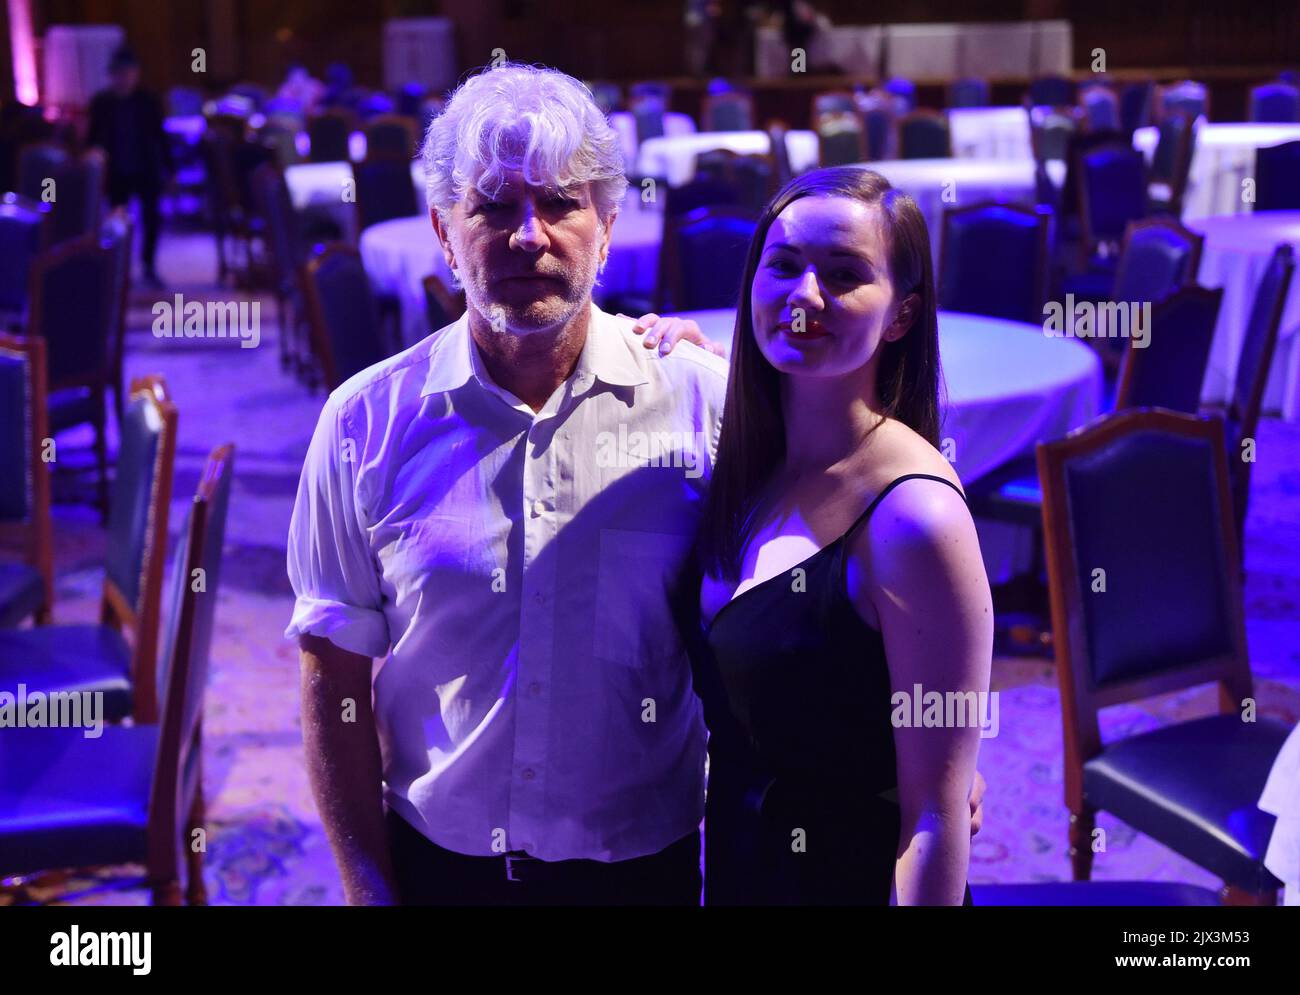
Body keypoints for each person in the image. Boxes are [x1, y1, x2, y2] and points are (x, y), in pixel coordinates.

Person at [285, 62, 984, 906]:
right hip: (438, 868)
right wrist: (367, 890)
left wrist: (933, 768)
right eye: (494, 205)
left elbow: (831, 592)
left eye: (560, 203)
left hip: (648, 876)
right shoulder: (363, 424)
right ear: (442, 228)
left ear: (608, 227)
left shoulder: (705, 406)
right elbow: (331, 681)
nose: (529, 235)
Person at [688, 166, 993, 904]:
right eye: (784, 265)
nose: (805, 295)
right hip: (741, 872)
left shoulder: (916, 516)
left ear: (902, 315)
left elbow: (936, 816)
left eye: (845, 274)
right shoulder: (748, 459)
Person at [87, 46, 170, 288]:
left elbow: (160, 137)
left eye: (129, 73)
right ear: (112, 75)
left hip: (146, 169)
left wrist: (169, 168)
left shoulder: (148, 101)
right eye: (120, 73)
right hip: (117, 172)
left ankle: (149, 265)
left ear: (136, 74)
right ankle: (119, 267)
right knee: (116, 221)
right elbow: (93, 138)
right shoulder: (102, 103)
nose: (124, 78)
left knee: (152, 219)